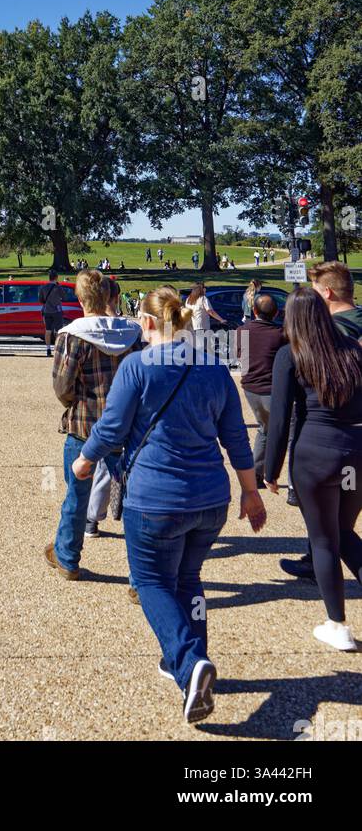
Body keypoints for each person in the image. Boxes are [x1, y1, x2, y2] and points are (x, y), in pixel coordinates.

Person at [75, 286, 265, 723]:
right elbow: (235, 437)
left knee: (151, 582)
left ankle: (188, 662)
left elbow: (112, 427)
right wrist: (250, 491)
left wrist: (86, 460)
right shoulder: (214, 369)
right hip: (211, 498)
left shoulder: (137, 367)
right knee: (188, 579)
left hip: (156, 499)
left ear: (145, 323)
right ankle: (188, 665)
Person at [265, 286, 362, 652]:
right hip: (356, 450)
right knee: (342, 533)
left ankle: (337, 624)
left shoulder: (291, 356)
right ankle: (336, 622)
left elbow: (279, 419)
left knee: (325, 539)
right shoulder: (353, 350)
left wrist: (270, 469)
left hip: (315, 454)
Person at [45, 270, 141, 580]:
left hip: (84, 423)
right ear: (110, 296)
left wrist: (76, 402)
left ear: (79, 298)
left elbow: (62, 386)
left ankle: (67, 556)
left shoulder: (71, 335)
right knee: (135, 499)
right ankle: (144, 572)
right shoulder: (132, 334)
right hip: (125, 425)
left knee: (77, 494)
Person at [86, 280, 142, 537]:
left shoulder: (85, 331)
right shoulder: (131, 331)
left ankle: (92, 518)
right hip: (128, 404)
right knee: (127, 464)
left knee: (99, 464)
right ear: (116, 298)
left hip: (94, 404)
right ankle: (132, 514)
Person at [235, 294, 286, 489]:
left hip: (250, 388)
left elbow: (241, 356)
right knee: (287, 435)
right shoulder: (280, 335)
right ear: (276, 313)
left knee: (264, 429)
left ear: (254, 311)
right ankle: (291, 483)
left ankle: (256, 474)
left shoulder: (241, 331)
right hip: (272, 389)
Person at [39, 273, 65, 359]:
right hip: (57, 311)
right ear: (56, 278)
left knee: (48, 331)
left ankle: (48, 349)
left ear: (49, 278)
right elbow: (64, 296)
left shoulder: (43, 287)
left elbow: (41, 300)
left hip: (47, 311)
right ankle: (57, 349)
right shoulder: (58, 287)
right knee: (58, 331)